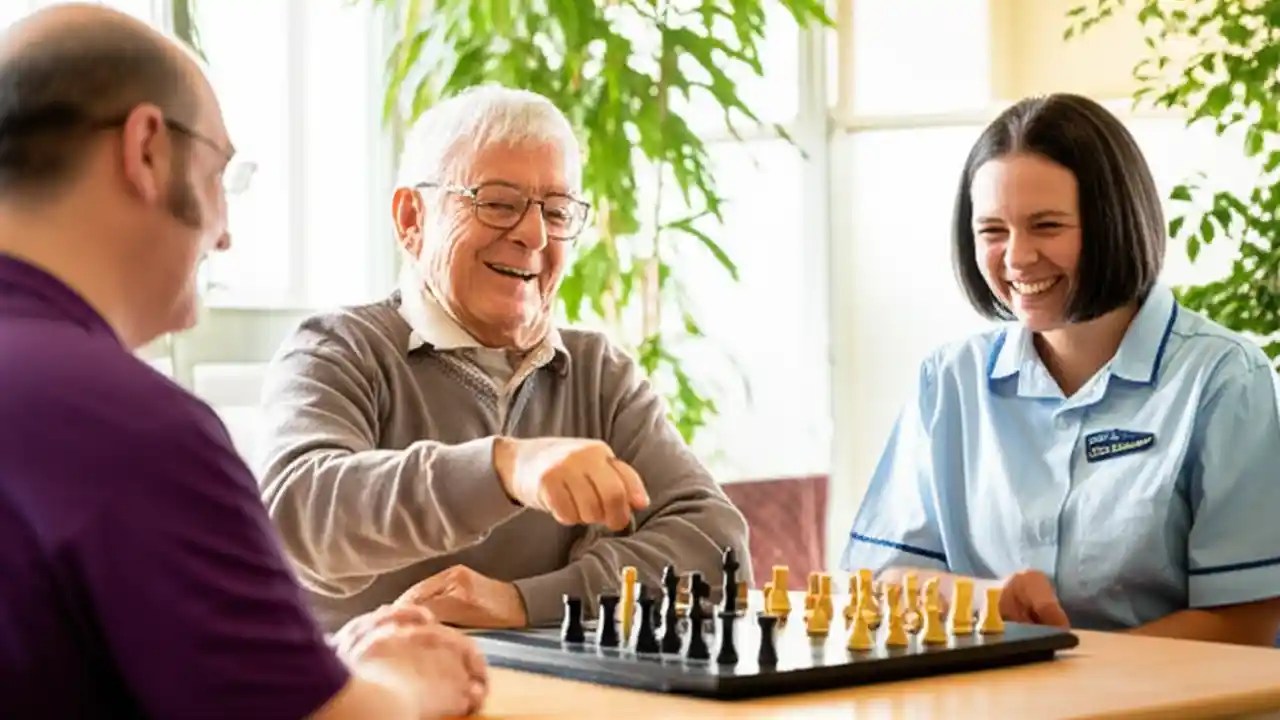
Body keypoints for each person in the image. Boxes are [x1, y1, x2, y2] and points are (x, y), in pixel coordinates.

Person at [0, 4, 486, 718]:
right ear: (146, 151)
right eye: (222, 175)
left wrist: (315, 669)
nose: (224, 234)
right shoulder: (135, 427)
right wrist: (410, 683)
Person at [257, 84, 752, 632]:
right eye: (497, 203)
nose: (534, 235)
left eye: (557, 211)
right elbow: (296, 518)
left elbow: (715, 545)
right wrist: (504, 468)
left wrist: (524, 602)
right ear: (410, 219)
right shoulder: (338, 349)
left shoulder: (598, 374)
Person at [842, 93, 1280, 646]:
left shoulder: (1224, 378)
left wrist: (1072, 676)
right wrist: (990, 599)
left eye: (1046, 226)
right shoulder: (949, 381)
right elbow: (877, 584)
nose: (1017, 257)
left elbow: (1248, 622)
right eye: (993, 230)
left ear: (1114, 224)